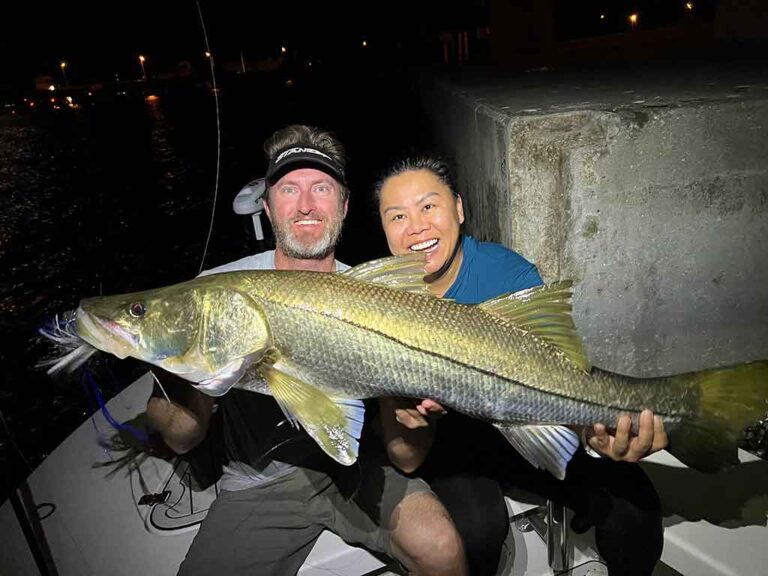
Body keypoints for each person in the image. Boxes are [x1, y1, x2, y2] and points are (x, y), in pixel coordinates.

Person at [146, 127, 467, 576]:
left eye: (321, 188)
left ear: (344, 206)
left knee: (443, 550)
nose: (305, 205)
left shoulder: (378, 297)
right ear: (267, 207)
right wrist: (177, 361)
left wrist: (419, 413)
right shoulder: (213, 293)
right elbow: (182, 437)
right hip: (260, 479)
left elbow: (406, 456)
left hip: (354, 465)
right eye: (288, 190)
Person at [374, 155, 668, 576]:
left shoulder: (508, 274)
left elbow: (558, 380)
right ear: (384, 231)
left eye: (428, 206)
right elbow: (405, 458)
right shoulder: (378, 300)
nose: (416, 226)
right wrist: (406, 414)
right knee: (474, 532)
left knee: (633, 506)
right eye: (397, 215)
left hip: (529, 420)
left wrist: (594, 435)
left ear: (458, 208)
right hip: (450, 442)